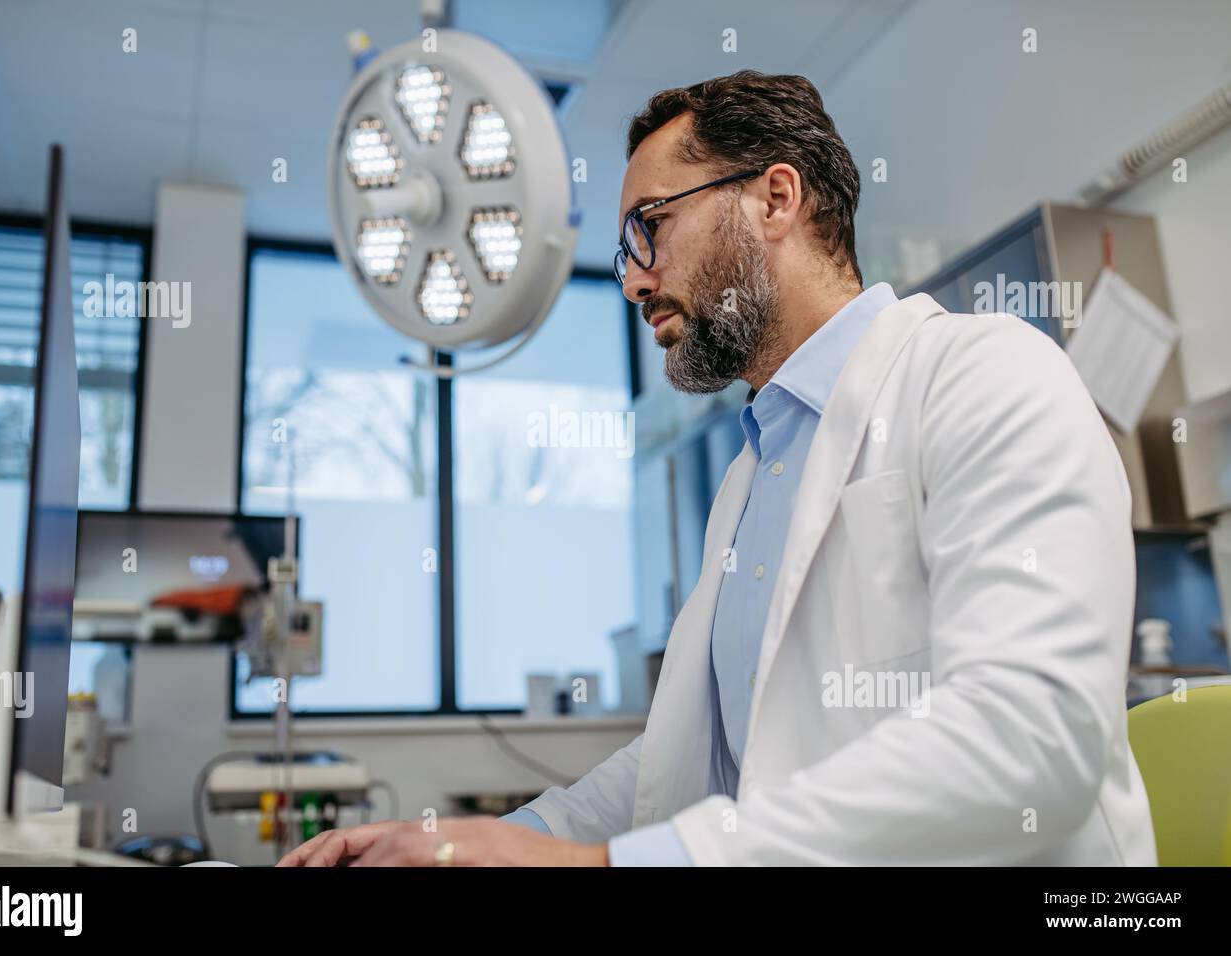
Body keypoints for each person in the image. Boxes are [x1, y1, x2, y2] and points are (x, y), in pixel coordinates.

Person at [278, 70, 1156, 867]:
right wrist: (498, 843)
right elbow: (687, 756)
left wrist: (604, 867)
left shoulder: (982, 372)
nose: (632, 281)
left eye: (648, 227)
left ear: (776, 198)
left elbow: (1034, 737)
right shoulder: (748, 479)